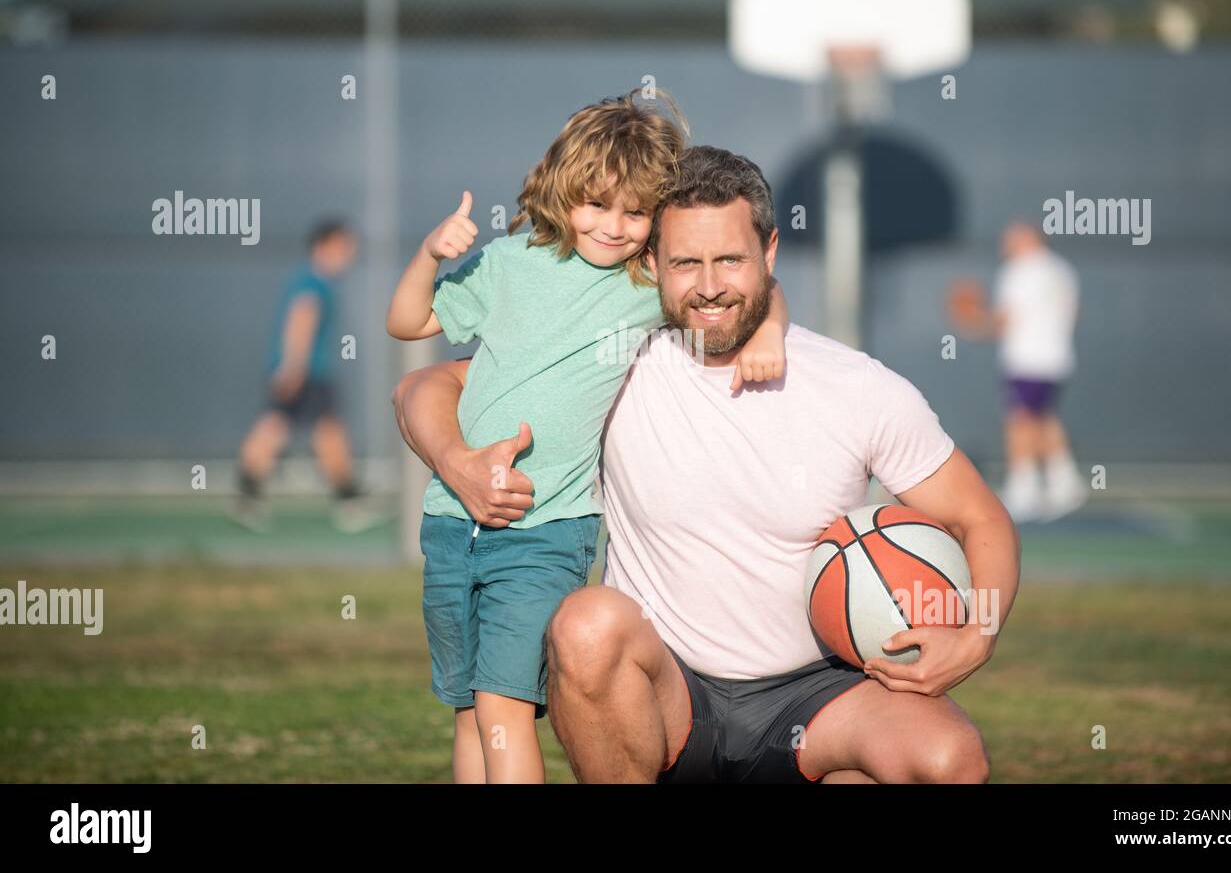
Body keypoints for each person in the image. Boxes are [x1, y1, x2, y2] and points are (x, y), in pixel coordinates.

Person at [395, 145, 1019, 784]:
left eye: (731, 259)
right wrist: (456, 459)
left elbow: (980, 519)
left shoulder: (858, 387)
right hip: (670, 696)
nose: (711, 284)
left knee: (947, 760)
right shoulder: (616, 361)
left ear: (769, 252)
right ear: (651, 265)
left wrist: (978, 634)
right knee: (585, 625)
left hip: (822, 695)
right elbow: (424, 388)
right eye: (686, 263)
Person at [386, 97, 791, 784]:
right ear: (561, 190)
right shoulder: (507, 264)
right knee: (466, 712)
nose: (614, 227)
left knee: (502, 707)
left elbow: (754, 290)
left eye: (635, 213)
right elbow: (407, 320)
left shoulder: (644, 284)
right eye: (597, 205)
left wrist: (771, 331)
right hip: (453, 524)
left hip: (546, 532)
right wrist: (429, 255)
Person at [233, 219, 374, 533]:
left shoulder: (309, 280)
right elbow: (301, 319)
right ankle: (348, 500)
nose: (349, 255)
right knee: (322, 430)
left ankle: (248, 494)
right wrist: (293, 367)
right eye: (344, 246)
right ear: (325, 245)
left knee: (279, 425)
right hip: (308, 372)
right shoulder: (313, 283)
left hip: (302, 370)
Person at [949, 220, 1086, 523]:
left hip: (1028, 358)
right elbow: (1073, 314)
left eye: (1011, 237)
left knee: (1019, 420)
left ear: (1028, 238)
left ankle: (1024, 488)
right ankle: (1065, 481)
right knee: (1043, 416)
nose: (1005, 243)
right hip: (1057, 357)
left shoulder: (1019, 270)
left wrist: (973, 325)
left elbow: (1003, 320)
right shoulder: (1062, 269)